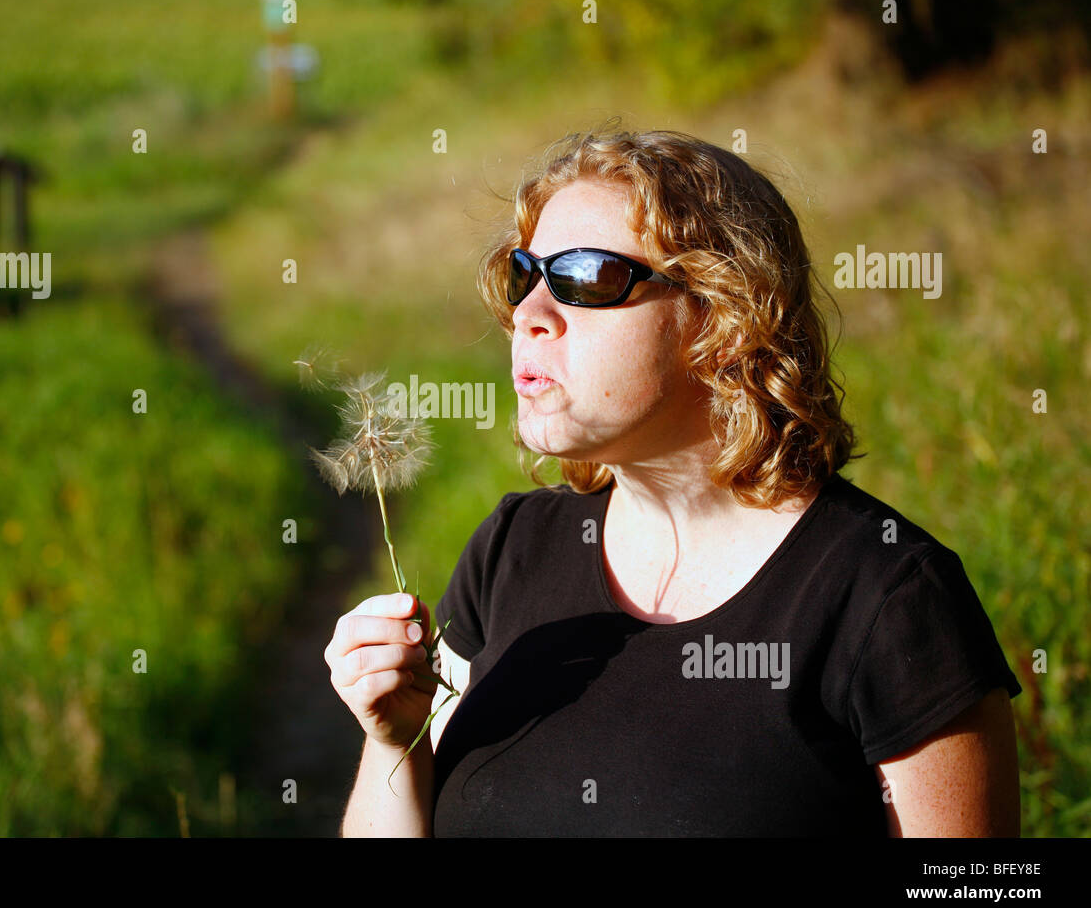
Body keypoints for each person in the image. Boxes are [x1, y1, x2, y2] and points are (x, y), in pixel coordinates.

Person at [326, 127, 1021, 837]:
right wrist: (394, 744)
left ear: (723, 319)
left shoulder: (888, 598)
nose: (528, 315)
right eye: (523, 273)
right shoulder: (512, 550)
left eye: (586, 277)